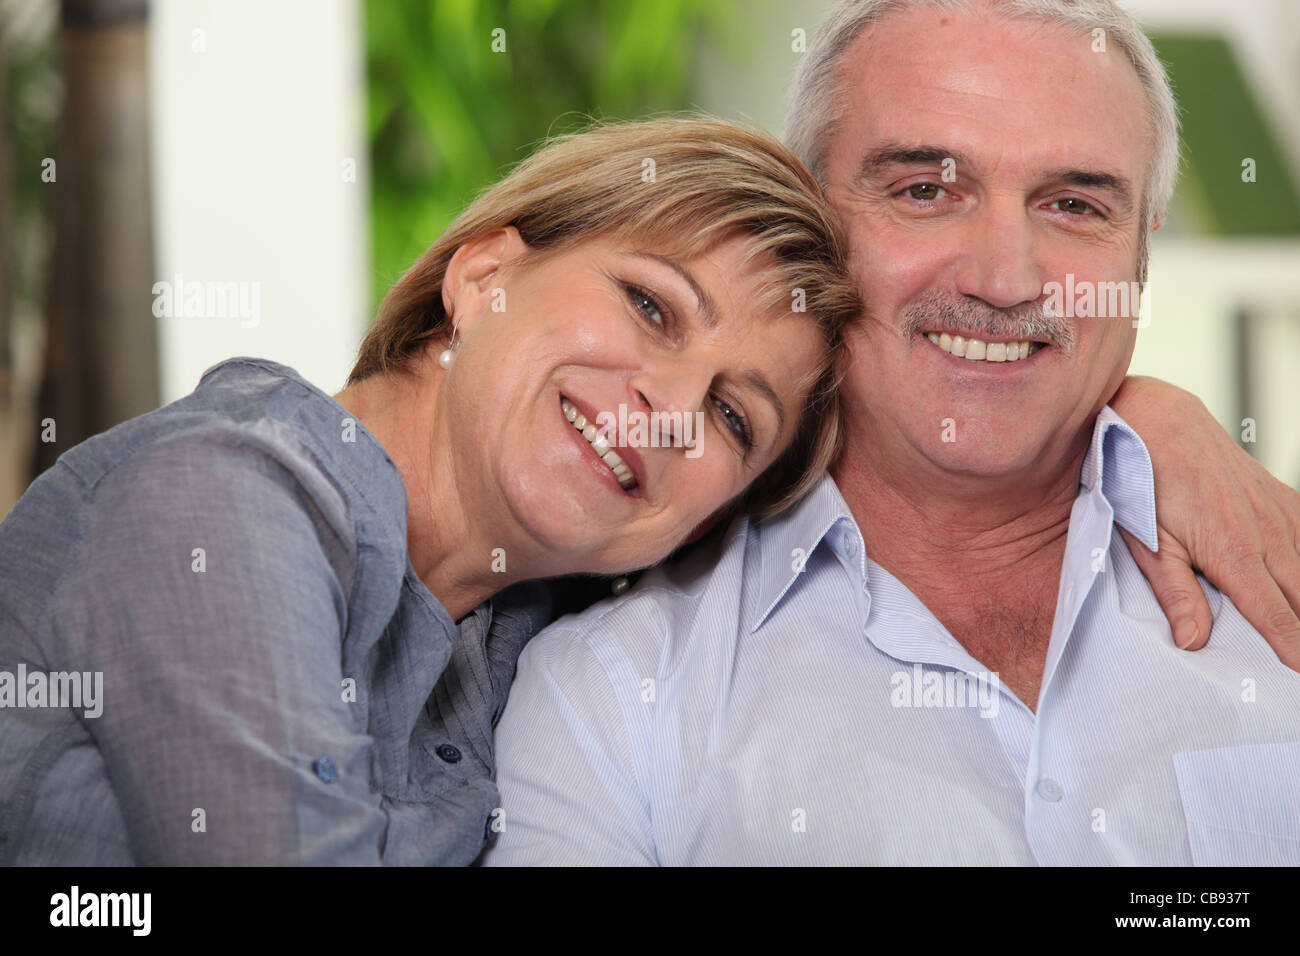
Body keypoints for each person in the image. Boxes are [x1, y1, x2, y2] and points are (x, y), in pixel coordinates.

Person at [483, 0, 1300, 865]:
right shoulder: (613, 693)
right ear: (805, 227)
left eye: (1073, 205)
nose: (1003, 278)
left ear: (1140, 255)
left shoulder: (1272, 586)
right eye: (924, 191)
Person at [0, 117, 862, 864]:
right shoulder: (219, 501)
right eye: (651, 305)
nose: (671, 408)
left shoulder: (541, 646)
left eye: (732, 415)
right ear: (484, 277)